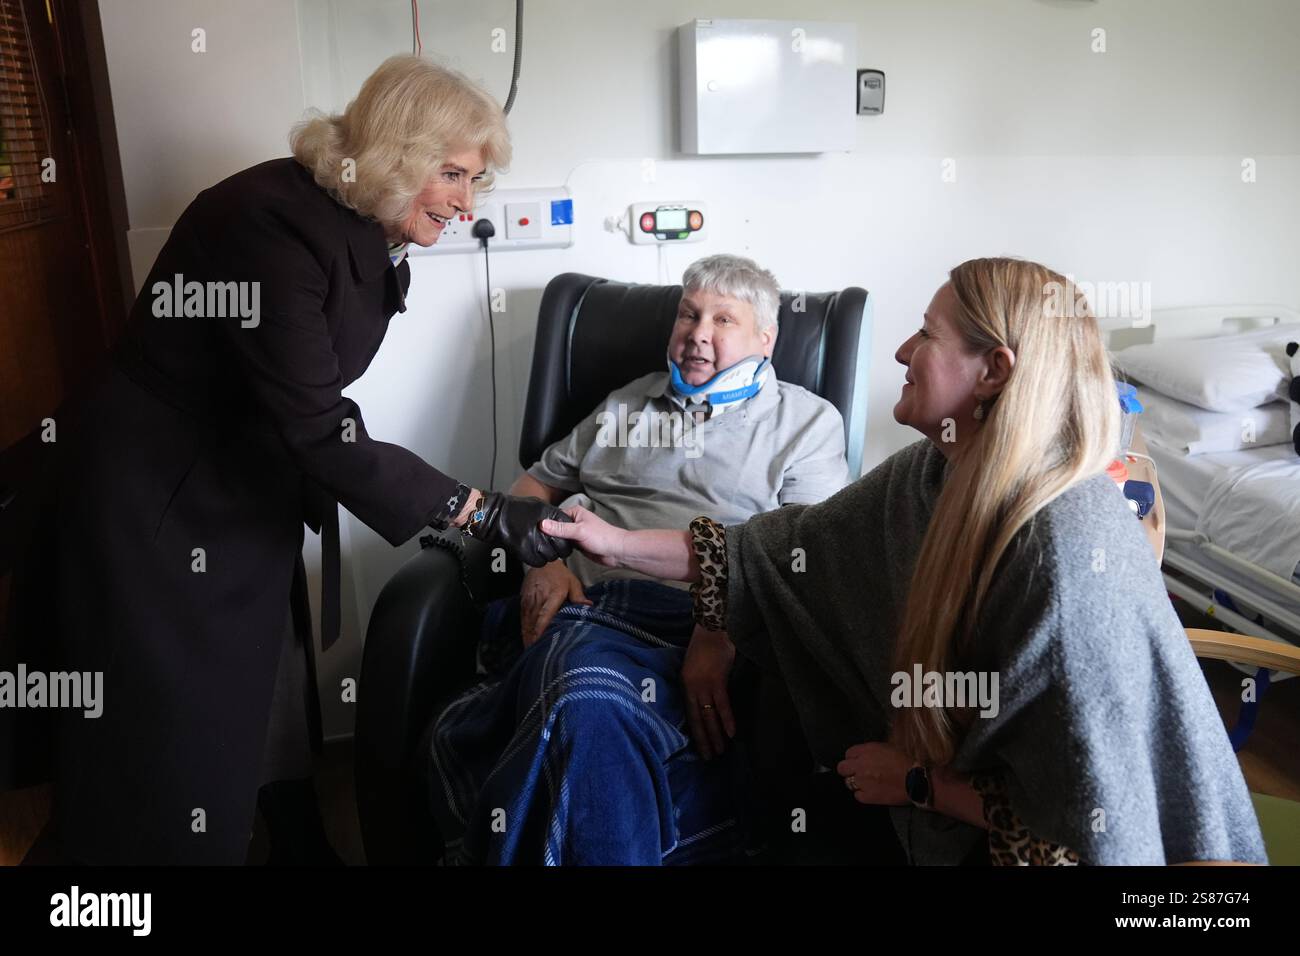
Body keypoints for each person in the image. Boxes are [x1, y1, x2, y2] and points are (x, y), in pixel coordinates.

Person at [3, 55, 572, 866]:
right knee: (156, 747)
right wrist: (478, 511)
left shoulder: (358, 220)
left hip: (240, 483)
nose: (465, 202)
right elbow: (314, 423)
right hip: (160, 496)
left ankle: (274, 833)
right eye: (451, 174)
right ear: (395, 155)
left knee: (251, 706)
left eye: (474, 180)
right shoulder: (266, 224)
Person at [539, 257, 1268, 865]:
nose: (899, 352)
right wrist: (608, 543)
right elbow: (771, 554)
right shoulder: (933, 472)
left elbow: (1079, 831)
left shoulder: (1064, 543)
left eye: (926, 334)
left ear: (993, 371)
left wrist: (921, 783)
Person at [427, 255, 850, 864]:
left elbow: (803, 555)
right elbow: (528, 491)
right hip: (589, 608)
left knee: (582, 706)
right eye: (688, 314)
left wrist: (718, 624)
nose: (697, 332)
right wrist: (541, 563)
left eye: (722, 319)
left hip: (706, 620)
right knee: (585, 697)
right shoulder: (624, 405)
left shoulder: (806, 422)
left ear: (767, 339)